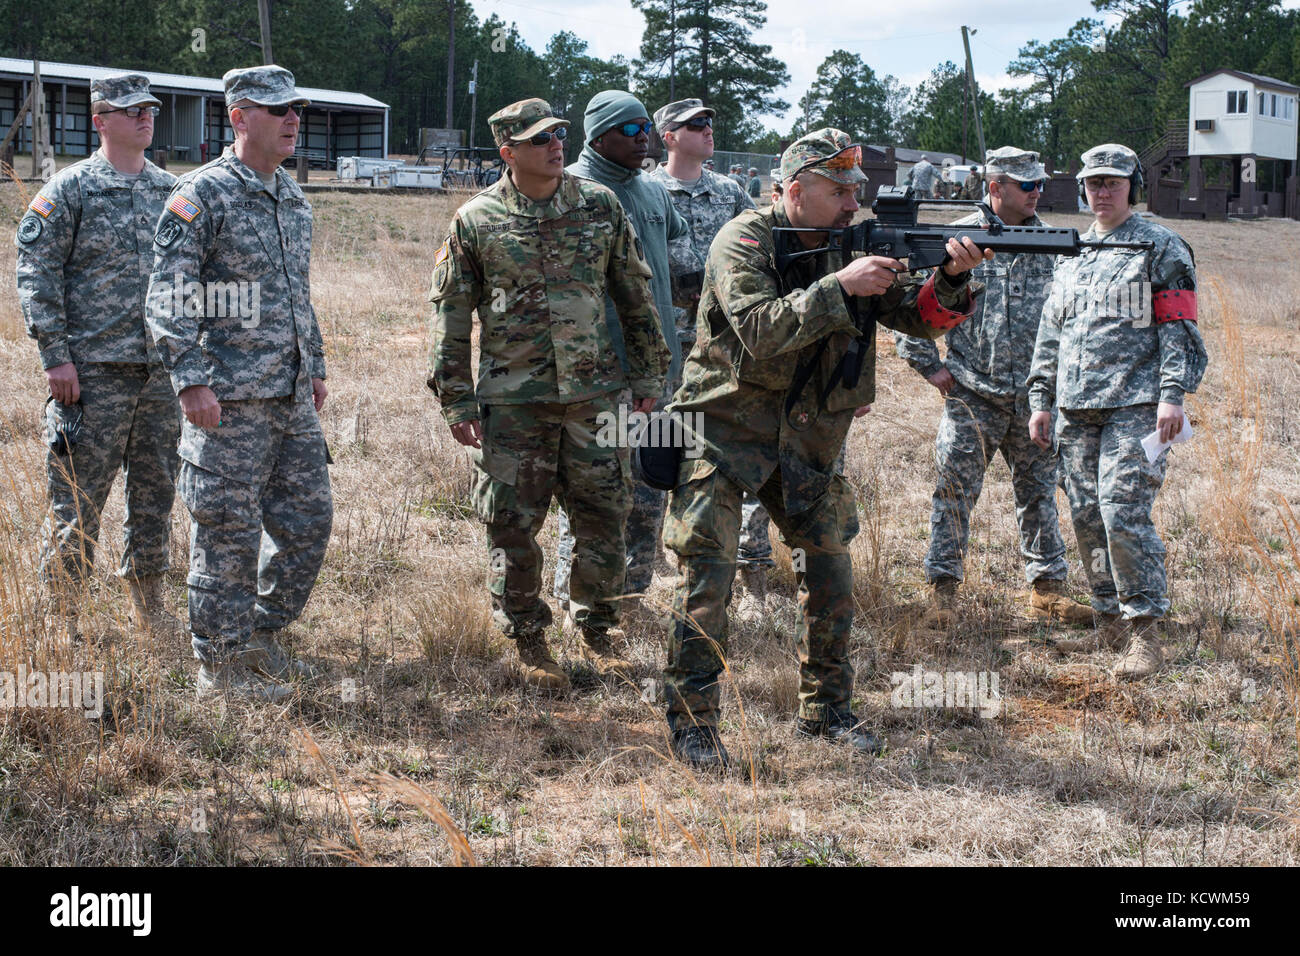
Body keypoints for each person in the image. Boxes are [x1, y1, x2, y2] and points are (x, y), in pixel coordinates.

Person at [662, 129, 990, 768]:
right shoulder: (744, 240)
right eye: (838, 191)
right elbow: (759, 329)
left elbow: (918, 319)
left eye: (854, 191)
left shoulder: (854, 243)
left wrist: (951, 277)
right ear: (794, 190)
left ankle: (828, 712)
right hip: (723, 433)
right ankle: (694, 724)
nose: (851, 203)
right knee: (708, 577)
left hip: (808, 438)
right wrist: (841, 286)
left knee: (831, 573)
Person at [429, 97, 669, 691]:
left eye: (558, 134)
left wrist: (649, 375)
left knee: (605, 513)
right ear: (508, 152)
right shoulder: (475, 220)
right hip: (515, 403)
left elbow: (635, 295)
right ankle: (528, 638)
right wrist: (456, 398)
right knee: (512, 522)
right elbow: (451, 315)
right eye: (539, 139)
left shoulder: (599, 206)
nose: (556, 145)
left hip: (596, 397)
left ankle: (597, 627)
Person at [146, 65, 333, 700]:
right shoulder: (202, 195)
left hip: (289, 396)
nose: (292, 119)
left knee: (308, 523)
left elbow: (298, 294)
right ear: (239, 117)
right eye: (277, 110)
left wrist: (314, 366)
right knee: (227, 532)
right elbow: (168, 295)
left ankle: (258, 636)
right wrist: (189, 381)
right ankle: (219, 669)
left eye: (295, 109)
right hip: (224, 401)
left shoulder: (294, 199)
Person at [1027, 144, 1208, 679]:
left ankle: (1145, 632)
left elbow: (1178, 327)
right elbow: (1051, 332)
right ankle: (1108, 617)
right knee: (1086, 515)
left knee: (1122, 513)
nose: (1102, 192)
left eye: (1113, 182)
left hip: (1136, 405)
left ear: (1134, 187)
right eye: (1094, 183)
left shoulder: (1160, 246)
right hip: (1075, 408)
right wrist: (1040, 400)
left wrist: (1172, 395)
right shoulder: (1073, 251)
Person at [895, 147, 1093, 631]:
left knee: (1040, 492)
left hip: (1034, 399)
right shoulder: (956, 240)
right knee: (954, 491)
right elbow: (912, 304)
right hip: (973, 393)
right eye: (1026, 185)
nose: (1036, 192)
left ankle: (1047, 589)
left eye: (1039, 183)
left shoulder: (1052, 242)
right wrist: (928, 365)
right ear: (995, 187)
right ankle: (943, 590)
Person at [16, 73, 180, 643]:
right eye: (131, 110)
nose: (145, 117)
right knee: (78, 501)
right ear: (100, 120)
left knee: (156, 495)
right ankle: (63, 620)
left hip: (160, 376)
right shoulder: (70, 190)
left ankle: (149, 608)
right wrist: (55, 356)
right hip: (91, 378)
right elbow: (36, 273)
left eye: (149, 108)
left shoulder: (172, 192)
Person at [552, 91, 685, 629]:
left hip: (660, 370)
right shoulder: (571, 189)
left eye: (646, 126)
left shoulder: (653, 190)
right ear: (598, 135)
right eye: (630, 129)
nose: (643, 137)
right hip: (601, 373)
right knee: (596, 492)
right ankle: (575, 600)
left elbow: (674, 257)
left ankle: (631, 596)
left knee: (653, 482)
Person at [647, 98, 773, 626]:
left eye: (710, 123)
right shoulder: (648, 192)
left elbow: (760, 249)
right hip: (667, 347)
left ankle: (751, 574)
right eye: (695, 124)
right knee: (659, 448)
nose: (708, 130)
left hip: (726, 349)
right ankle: (656, 558)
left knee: (732, 450)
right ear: (669, 136)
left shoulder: (730, 193)